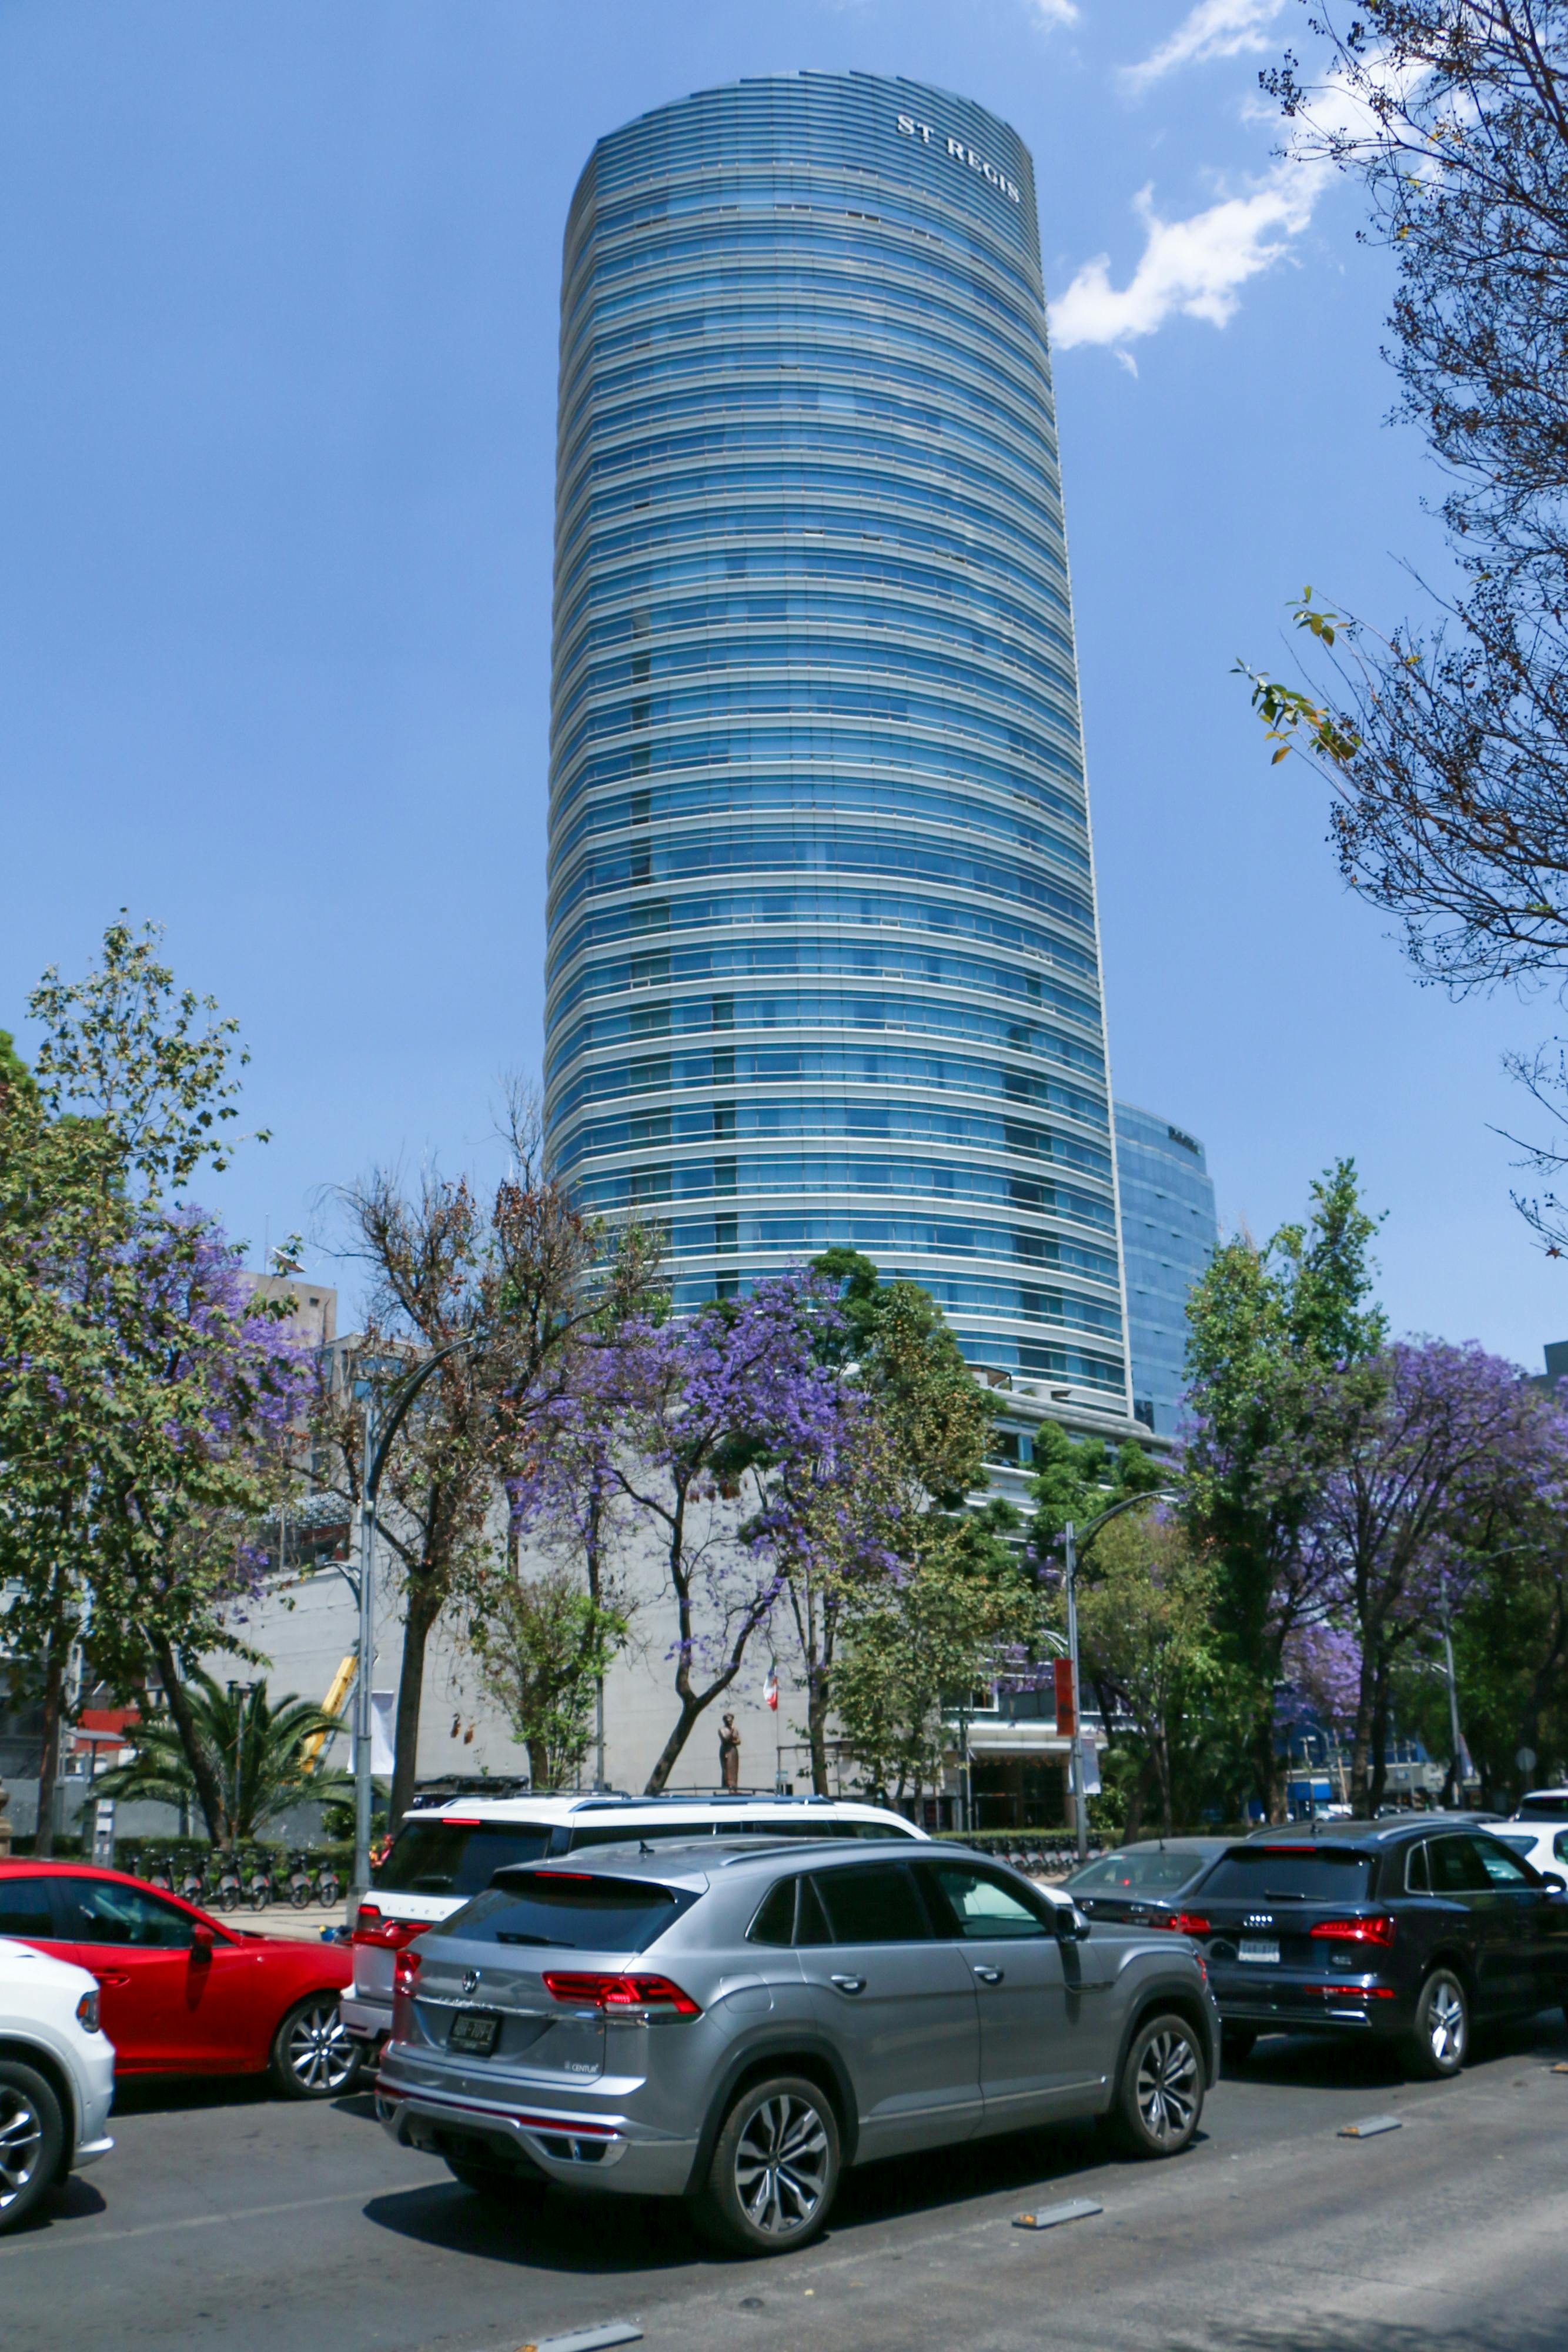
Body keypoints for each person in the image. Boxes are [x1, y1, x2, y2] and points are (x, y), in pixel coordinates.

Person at [718, 1713, 741, 1793]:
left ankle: (735, 1788)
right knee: (728, 1769)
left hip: (734, 1751)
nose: (730, 1722)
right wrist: (731, 1734)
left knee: (735, 1769)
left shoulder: (735, 1730)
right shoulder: (722, 1730)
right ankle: (730, 1788)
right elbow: (725, 1739)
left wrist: (732, 1740)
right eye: (728, 1720)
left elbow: (739, 1741)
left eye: (731, 1720)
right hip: (726, 1751)